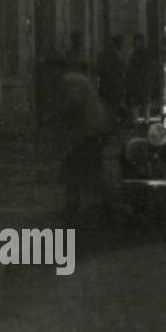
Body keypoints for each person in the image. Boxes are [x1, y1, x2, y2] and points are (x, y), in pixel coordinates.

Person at [48, 57, 110, 220]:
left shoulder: (68, 80)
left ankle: (73, 208)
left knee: (73, 169)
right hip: (97, 128)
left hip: (86, 131)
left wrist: (56, 115)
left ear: (58, 69)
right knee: (93, 168)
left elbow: (73, 103)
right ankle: (99, 206)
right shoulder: (79, 78)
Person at [96, 34, 127, 122]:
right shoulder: (113, 55)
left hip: (111, 85)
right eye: (121, 43)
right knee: (111, 106)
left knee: (111, 106)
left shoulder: (115, 54)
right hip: (111, 85)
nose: (122, 45)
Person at [125, 33, 153, 122]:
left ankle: (145, 121)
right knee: (137, 103)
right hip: (137, 82)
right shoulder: (134, 53)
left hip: (142, 81)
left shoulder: (142, 53)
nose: (137, 43)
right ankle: (137, 121)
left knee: (144, 103)